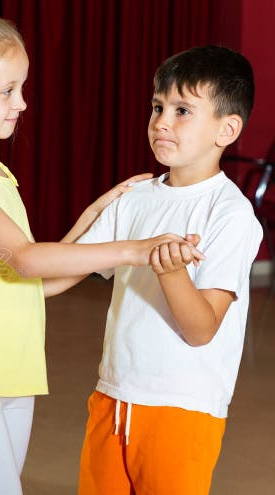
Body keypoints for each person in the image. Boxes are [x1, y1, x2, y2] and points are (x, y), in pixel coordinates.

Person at [0, 6, 199, 493]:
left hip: (16, 367)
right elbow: (25, 256)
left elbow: (36, 280)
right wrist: (132, 250)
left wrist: (94, 216)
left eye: (21, 88)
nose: (20, 103)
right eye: (6, 91)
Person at [74, 46, 262, 495]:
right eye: (158, 107)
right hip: (112, 395)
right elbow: (65, 266)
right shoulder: (135, 196)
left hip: (182, 409)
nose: (161, 121)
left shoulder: (230, 214)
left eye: (182, 111)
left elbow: (201, 329)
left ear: (227, 129)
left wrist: (171, 272)